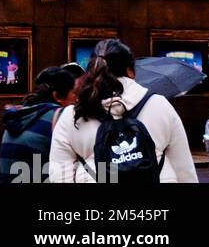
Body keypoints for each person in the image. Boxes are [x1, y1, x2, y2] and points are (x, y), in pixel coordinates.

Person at [48, 38, 197, 183]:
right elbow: (183, 168)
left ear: (91, 71)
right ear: (131, 71)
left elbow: (60, 176)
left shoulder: (73, 115)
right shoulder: (159, 105)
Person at [0, 66, 76, 183]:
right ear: (57, 96)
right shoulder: (61, 116)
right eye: (74, 93)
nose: (77, 99)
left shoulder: (19, 117)